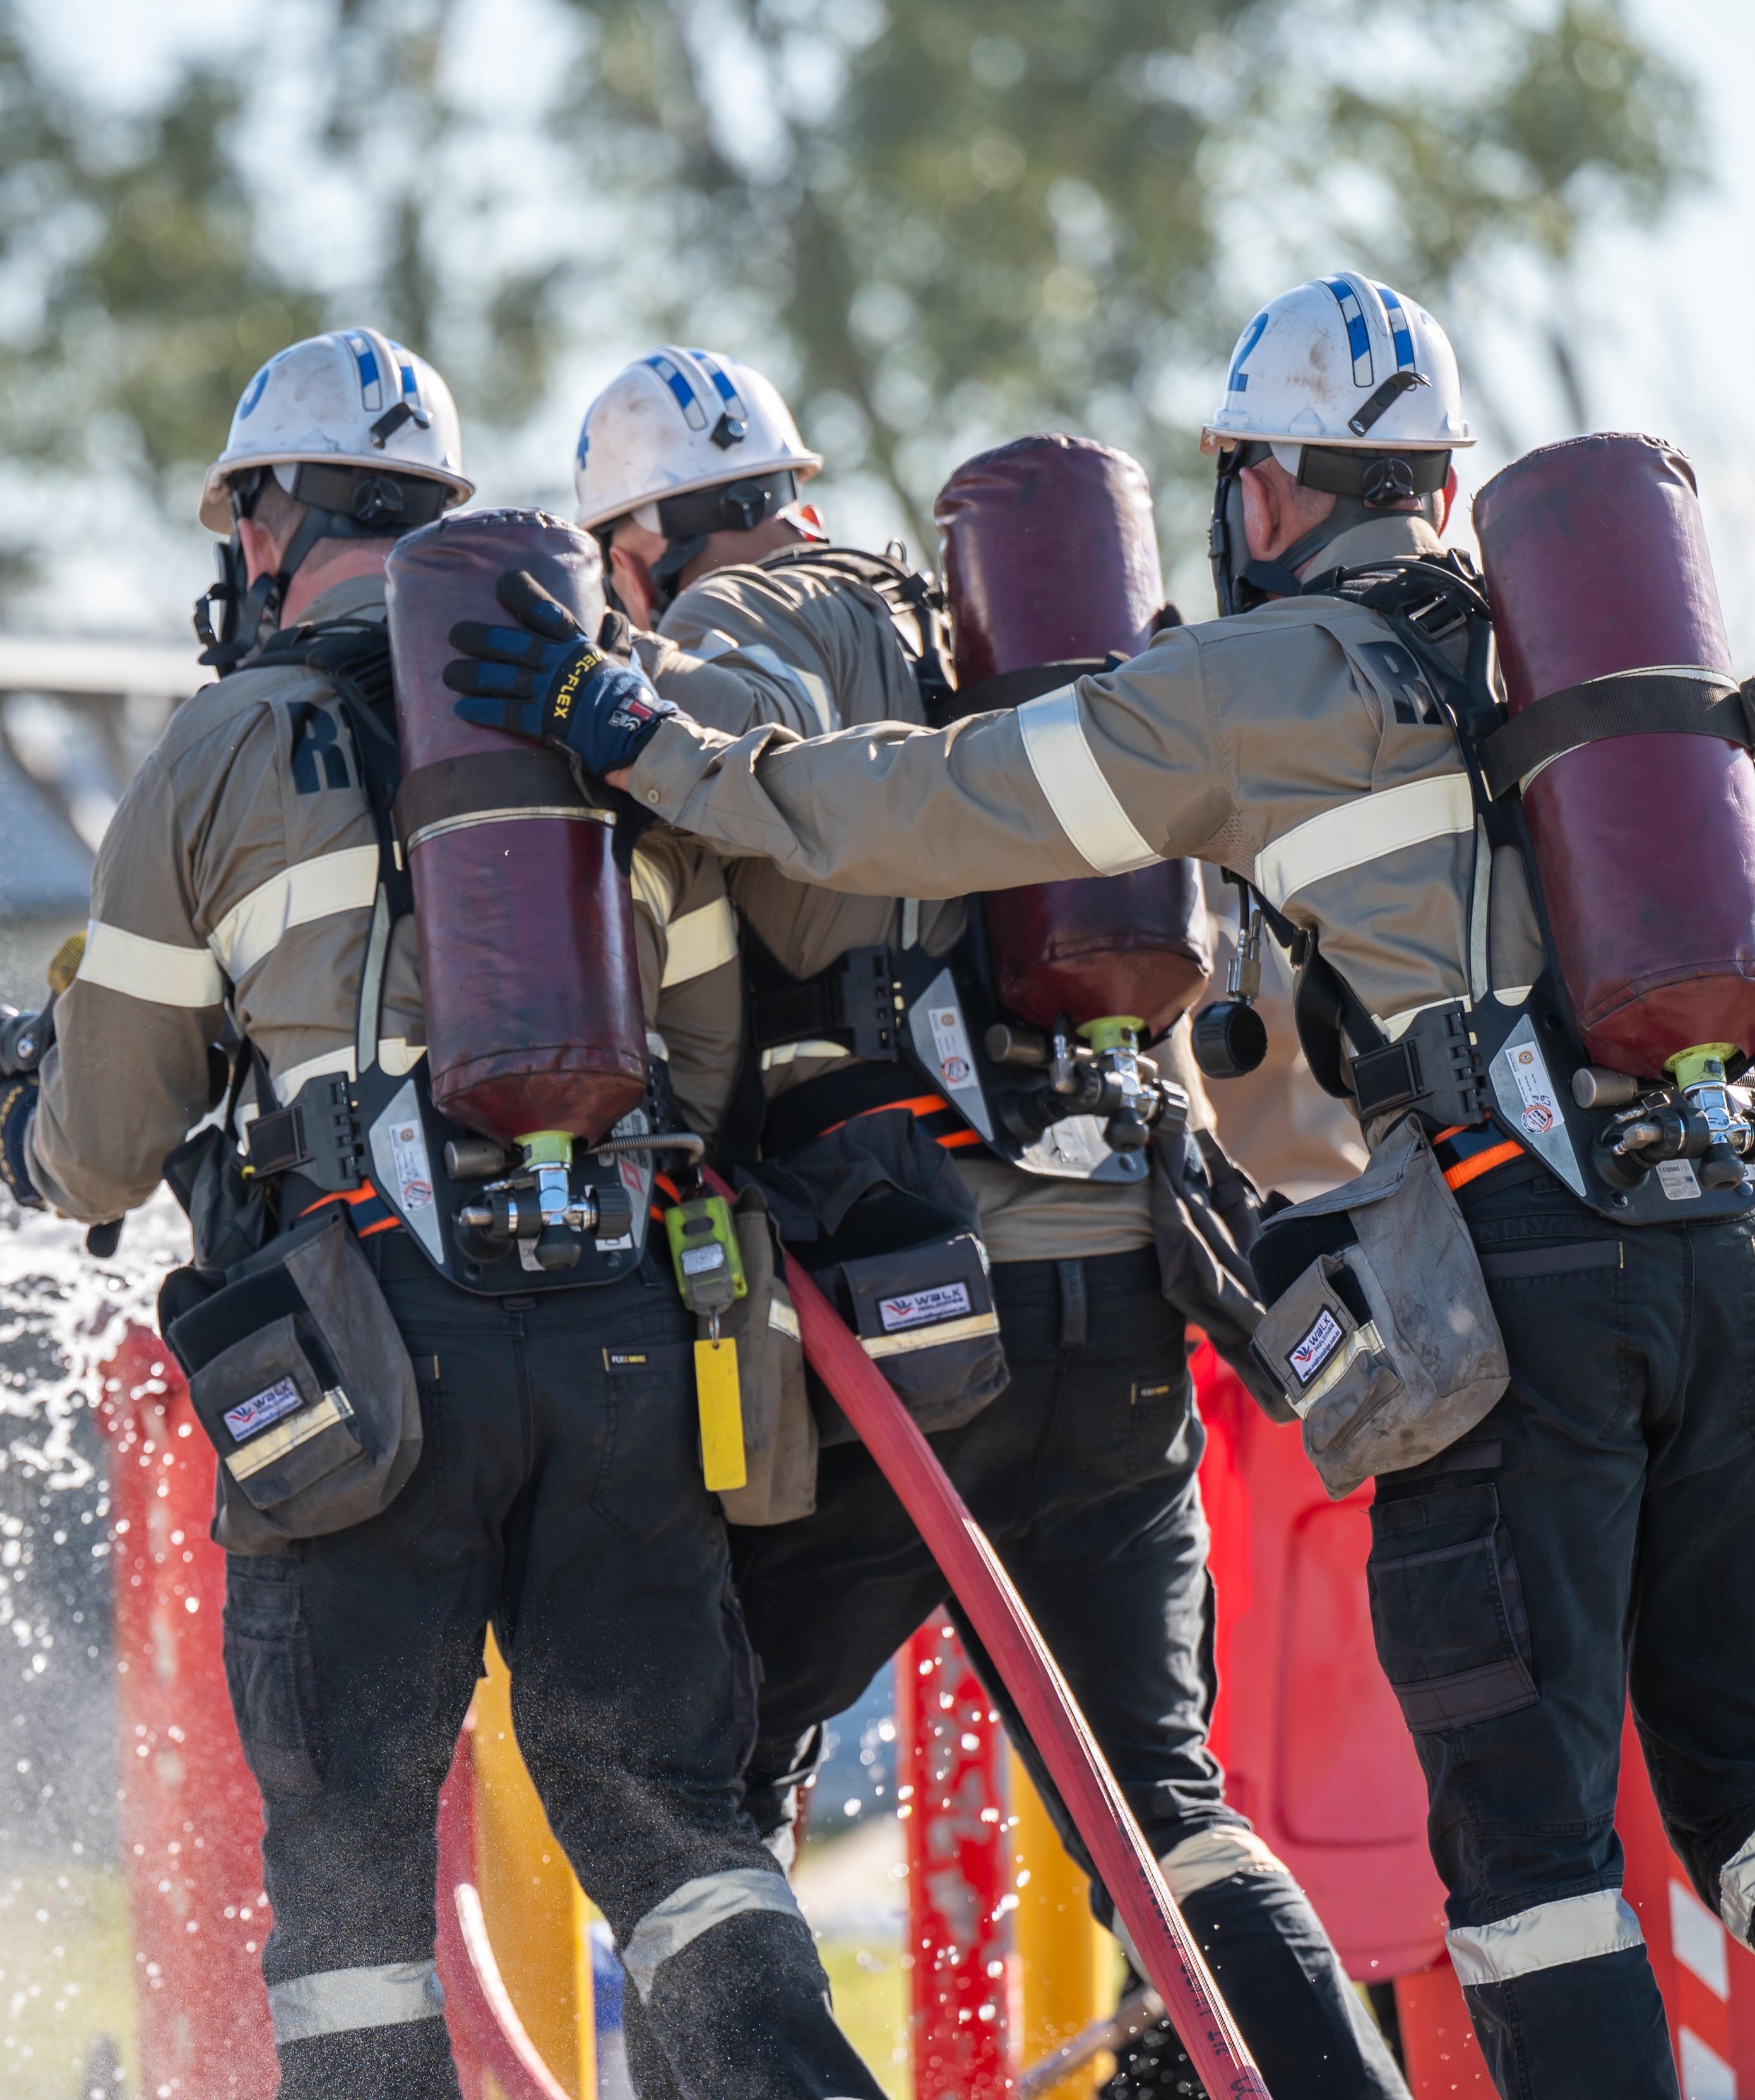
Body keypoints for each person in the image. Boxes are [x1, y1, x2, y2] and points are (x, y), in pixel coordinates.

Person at [443, 277, 1755, 2099]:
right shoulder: (1550, 671)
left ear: (1259, 492)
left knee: (1536, 1869)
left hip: (1519, 1291)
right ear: (1446, 490)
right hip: (1747, 1238)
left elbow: (933, 805)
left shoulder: (1259, 685)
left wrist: (632, 731)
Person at [0, 328, 881, 2100]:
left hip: (363, 1382)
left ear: (262, 522)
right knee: (674, 1827)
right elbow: (696, 1056)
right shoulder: (583, 694)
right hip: (626, 1340)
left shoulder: (225, 746)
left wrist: (24, 1139)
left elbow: (100, 1146)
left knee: (349, 1885)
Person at [570, 346, 1403, 2099]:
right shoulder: (988, 628)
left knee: (700, 1790)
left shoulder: (736, 632)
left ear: (638, 540)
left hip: (897, 1330)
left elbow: (656, 922)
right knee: (1158, 1795)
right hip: (1121, 1296)